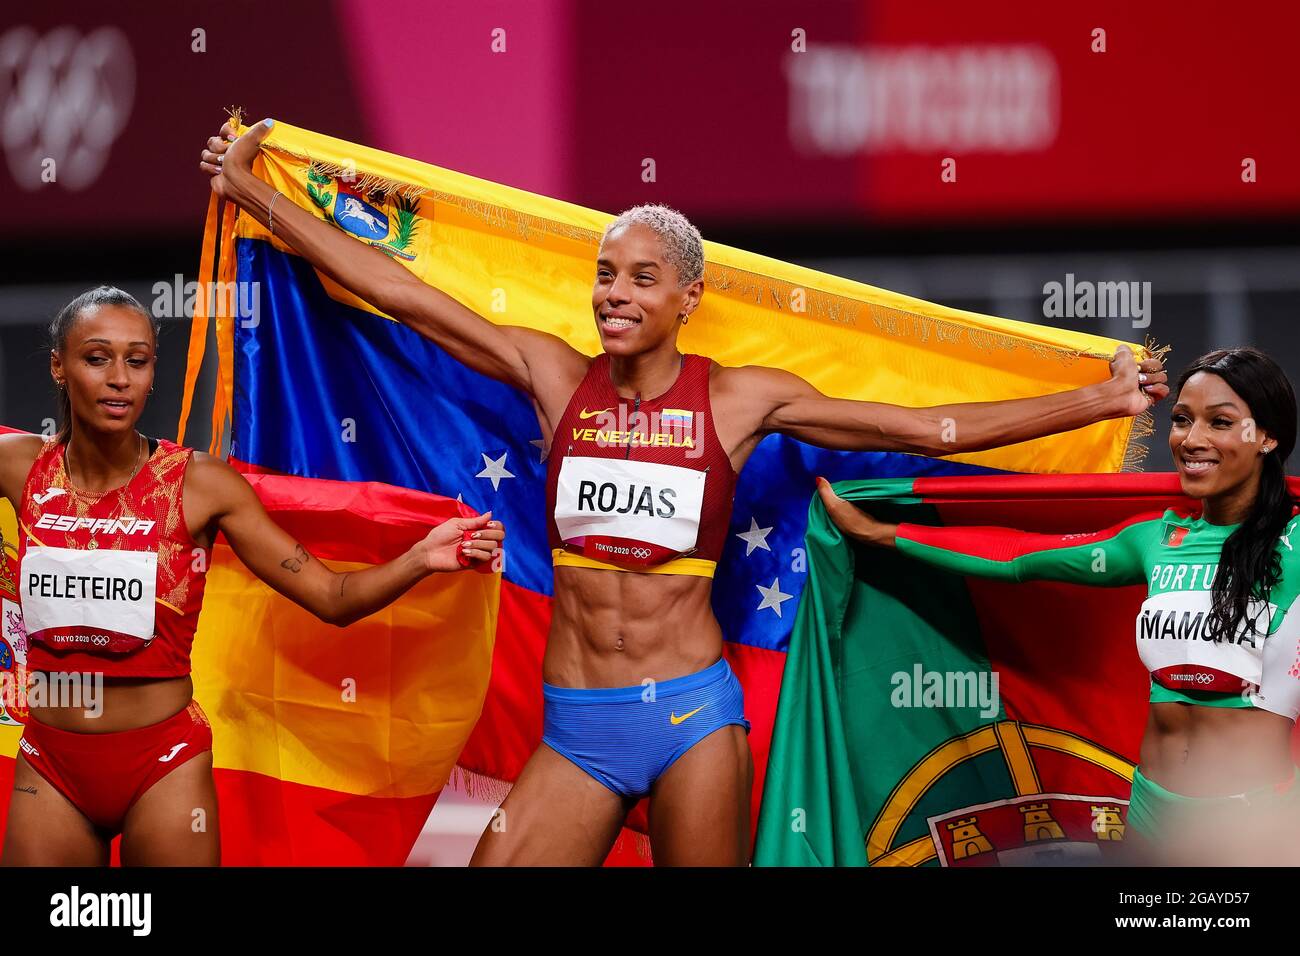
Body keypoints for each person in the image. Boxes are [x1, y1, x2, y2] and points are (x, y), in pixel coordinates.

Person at [200, 118, 1167, 865]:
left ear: (686, 299)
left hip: (692, 720)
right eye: (604, 275)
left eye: (641, 279)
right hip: (576, 725)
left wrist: (1102, 395)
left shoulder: (741, 402)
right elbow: (399, 291)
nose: (614, 294)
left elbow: (923, 430)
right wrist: (254, 191)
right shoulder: (552, 375)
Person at [0, 286, 504, 866]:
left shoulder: (201, 485)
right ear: (58, 367)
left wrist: (421, 557)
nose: (119, 378)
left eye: (136, 361)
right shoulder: (19, 466)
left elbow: (331, 595)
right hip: (50, 763)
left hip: (161, 765)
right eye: (96, 358)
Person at [819, 347, 1300, 863]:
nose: (1192, 440)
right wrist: (887, 533)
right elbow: (1020, 557)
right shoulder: (1156, 539)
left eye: (1220, 422)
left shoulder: (1293, 544)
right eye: (1182, 420)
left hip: (1250, 819)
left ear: (1266, 437)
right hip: (1151, 813)